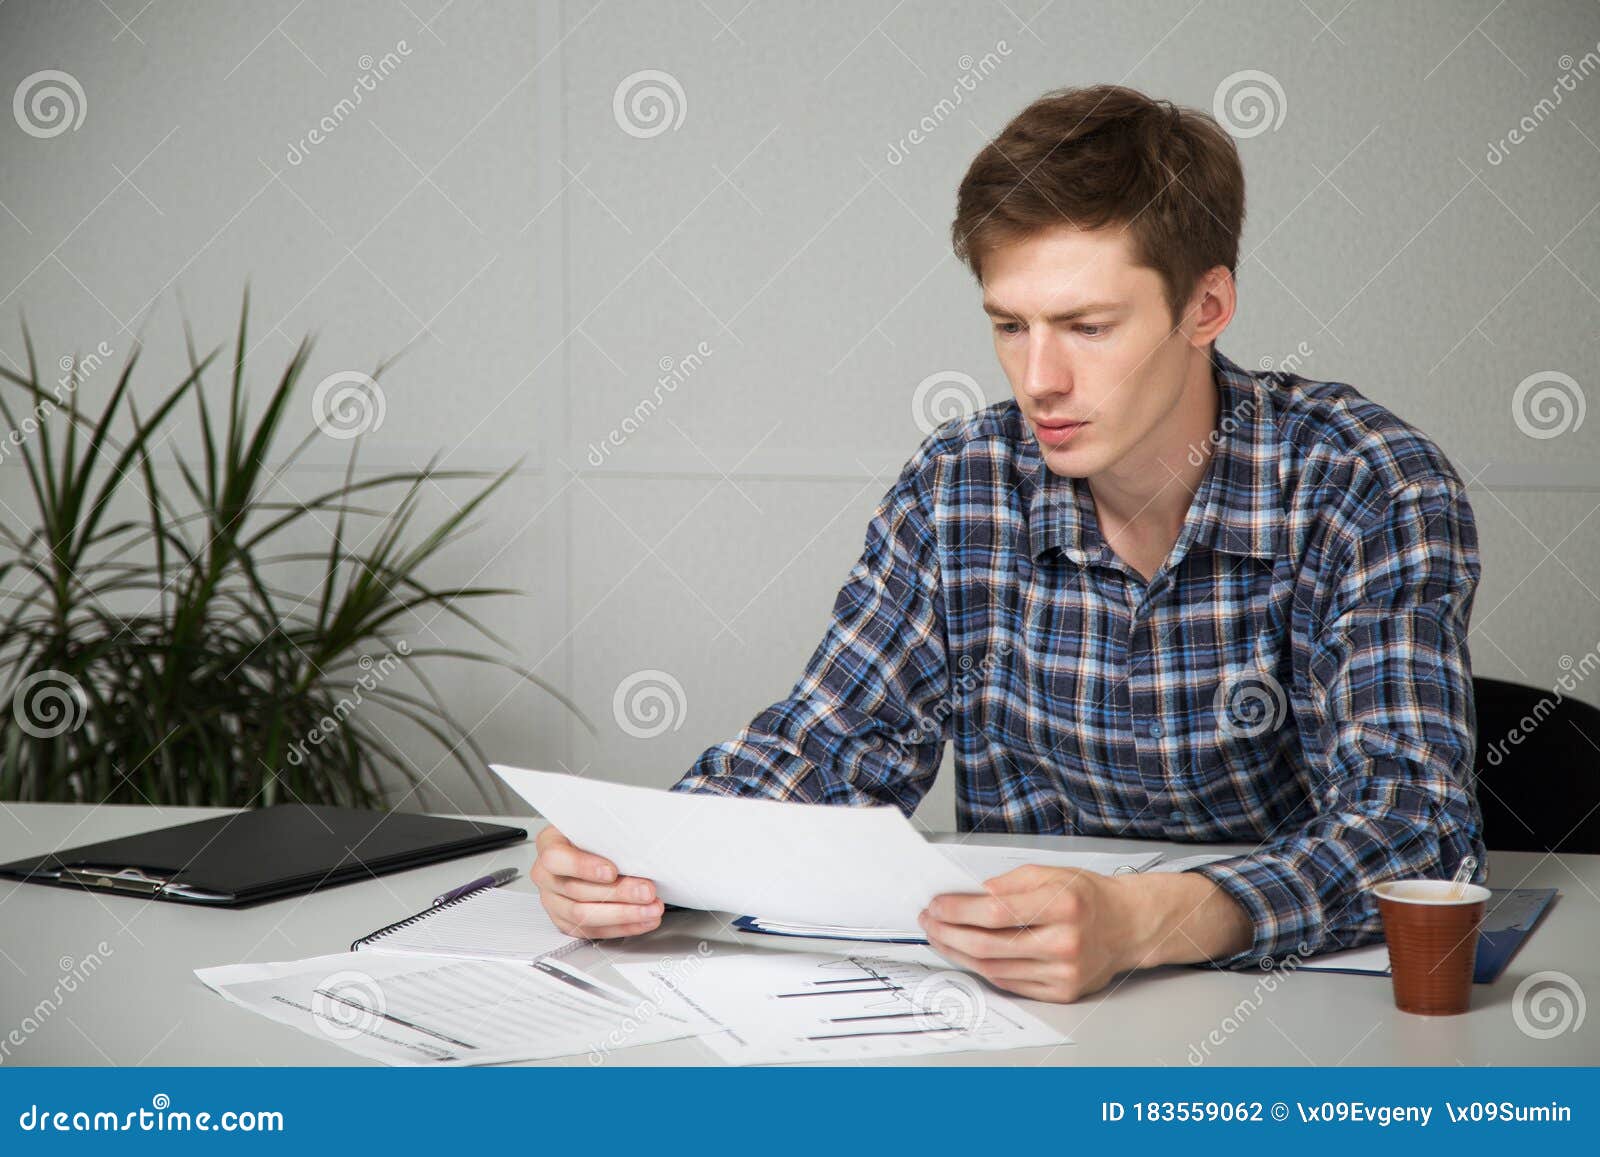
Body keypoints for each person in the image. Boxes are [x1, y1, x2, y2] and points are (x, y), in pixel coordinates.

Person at [532, 83, 1485, 1004]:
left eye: (1087, 327)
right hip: (1014, 1015)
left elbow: (1416, 831)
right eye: (1009, 326)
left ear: (1207, 307)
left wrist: (1144, 920)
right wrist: (632, 849)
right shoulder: (964, 481)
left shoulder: (1366, 482)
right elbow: (833, 745)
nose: (1040, 380)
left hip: (1289, 1015)